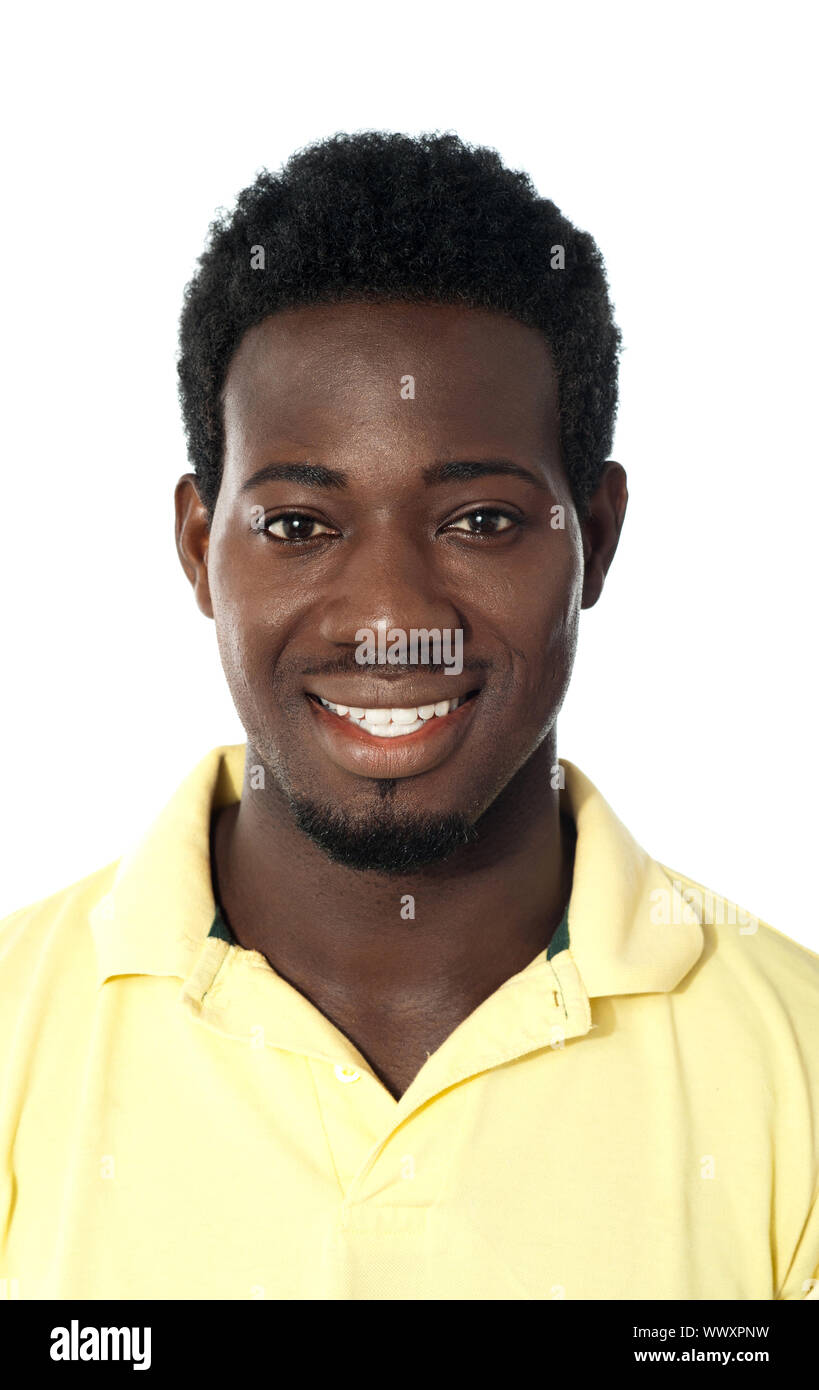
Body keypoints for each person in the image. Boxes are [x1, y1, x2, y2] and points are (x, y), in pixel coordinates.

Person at [1, 132, 816, 1301]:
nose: (389, 618)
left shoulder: (797, 1075)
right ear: (197, 548)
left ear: (599, 536)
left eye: (480, 520)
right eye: (297, 525)